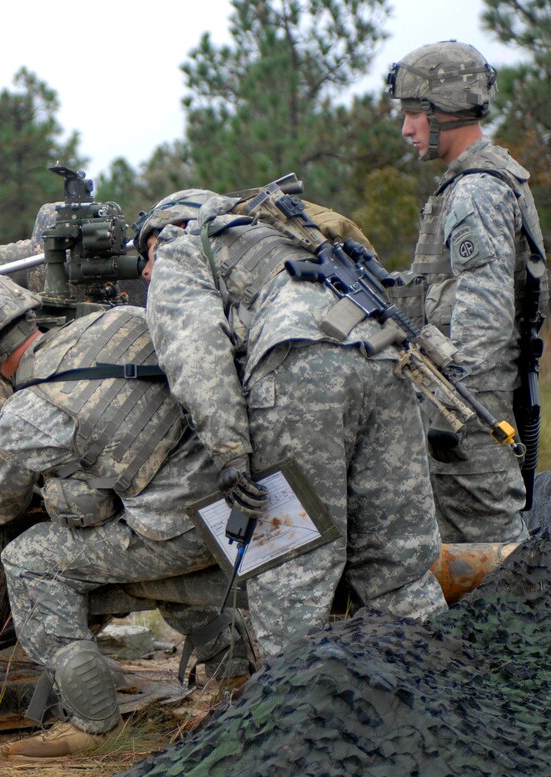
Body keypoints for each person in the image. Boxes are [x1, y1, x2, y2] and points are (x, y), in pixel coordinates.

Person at [0, 274, 250, 758]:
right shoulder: (126, 321)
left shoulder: (22, 417)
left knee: (31, 558)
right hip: (241, 497)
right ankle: (239, 673)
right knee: (140, 527)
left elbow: (0, 506)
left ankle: (92, 723)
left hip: (181, 532)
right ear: (30, 316)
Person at [141, 187, 448, 660]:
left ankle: (297, 723)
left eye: (146, 251)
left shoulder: (183, 250)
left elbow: (196, 351)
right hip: (384, 359)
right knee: (398, 568)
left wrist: (230, 454)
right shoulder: (289, 235)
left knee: (293, 579)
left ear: (170, 229)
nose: (146, 269)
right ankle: (437, 697)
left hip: (296, 365)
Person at [386, 40, 547, 543]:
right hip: (469, 404)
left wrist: (452, 415)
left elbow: (483, 320)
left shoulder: (476, 190)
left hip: (469, 414)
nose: (407, 128)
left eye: (414, 113)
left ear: (445, 112)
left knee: (494, 560)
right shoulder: (482, 180)